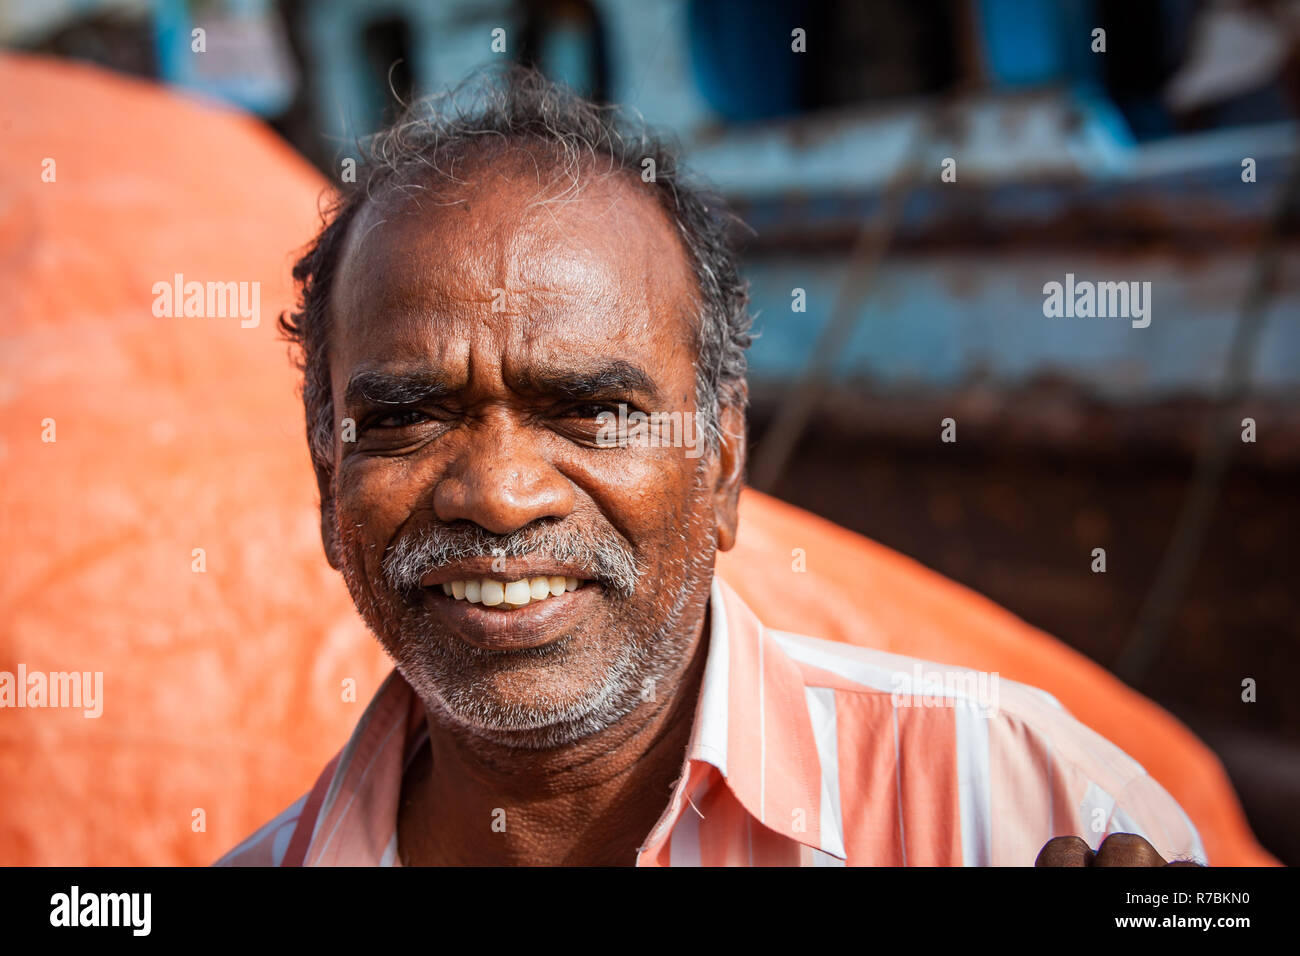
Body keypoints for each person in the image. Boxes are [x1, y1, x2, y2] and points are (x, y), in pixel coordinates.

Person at [217, 67, 1204, 867]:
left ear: (721, 465)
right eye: (404, 417)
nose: (499, 493)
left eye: (595, 410)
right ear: (325, 482)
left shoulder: (1016, 800)